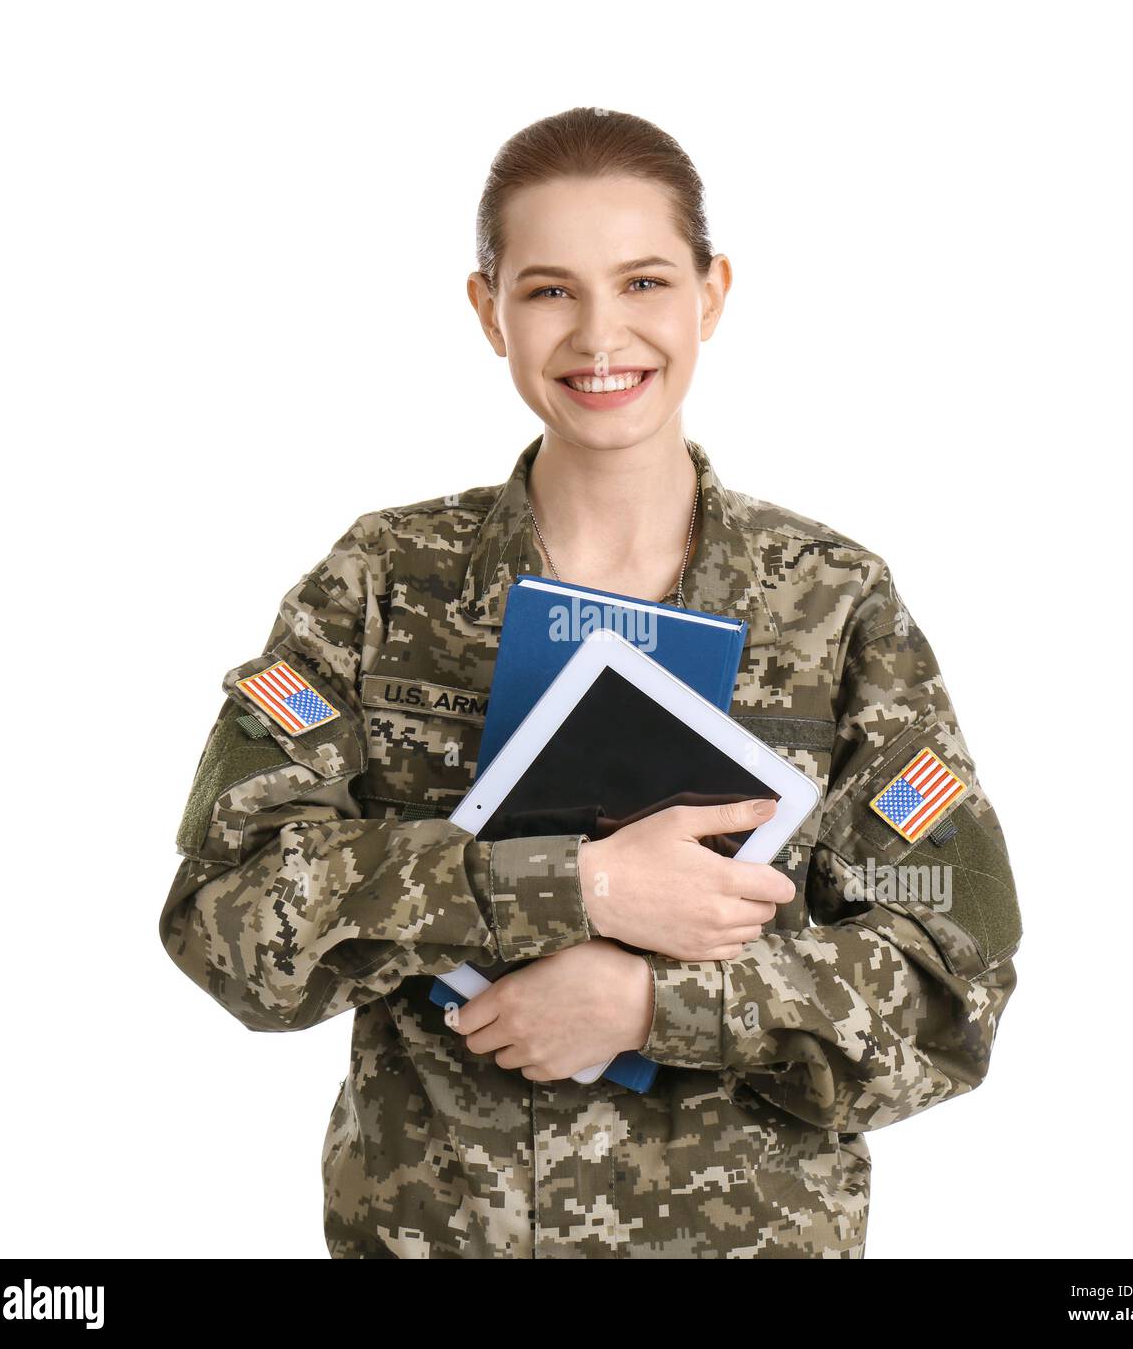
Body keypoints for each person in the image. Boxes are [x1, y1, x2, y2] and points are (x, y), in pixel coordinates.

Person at [160, 106, 1021, 1259]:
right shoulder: (377, 584)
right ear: (489, 310)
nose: (600, 334)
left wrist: (648, 1004)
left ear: (712, 294)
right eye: (550, 290)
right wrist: (572, 887)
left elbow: (948, 990)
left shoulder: (836, 603)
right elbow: (226, 924)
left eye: (646, 282)